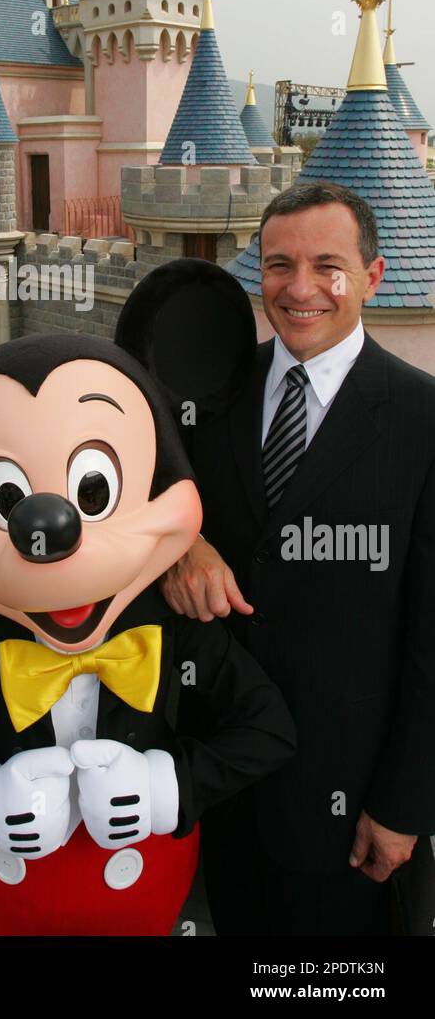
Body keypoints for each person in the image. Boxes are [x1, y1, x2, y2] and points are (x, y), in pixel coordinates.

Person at [161, 181, 435, 935]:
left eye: (327, 264)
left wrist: (404, 807)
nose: (299, 287)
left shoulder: (421, 418)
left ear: (372, 277)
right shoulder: (209, 391)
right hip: (219, 783)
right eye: (278, 265)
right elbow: (138, 502)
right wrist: (182, 543)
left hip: (348, 806)